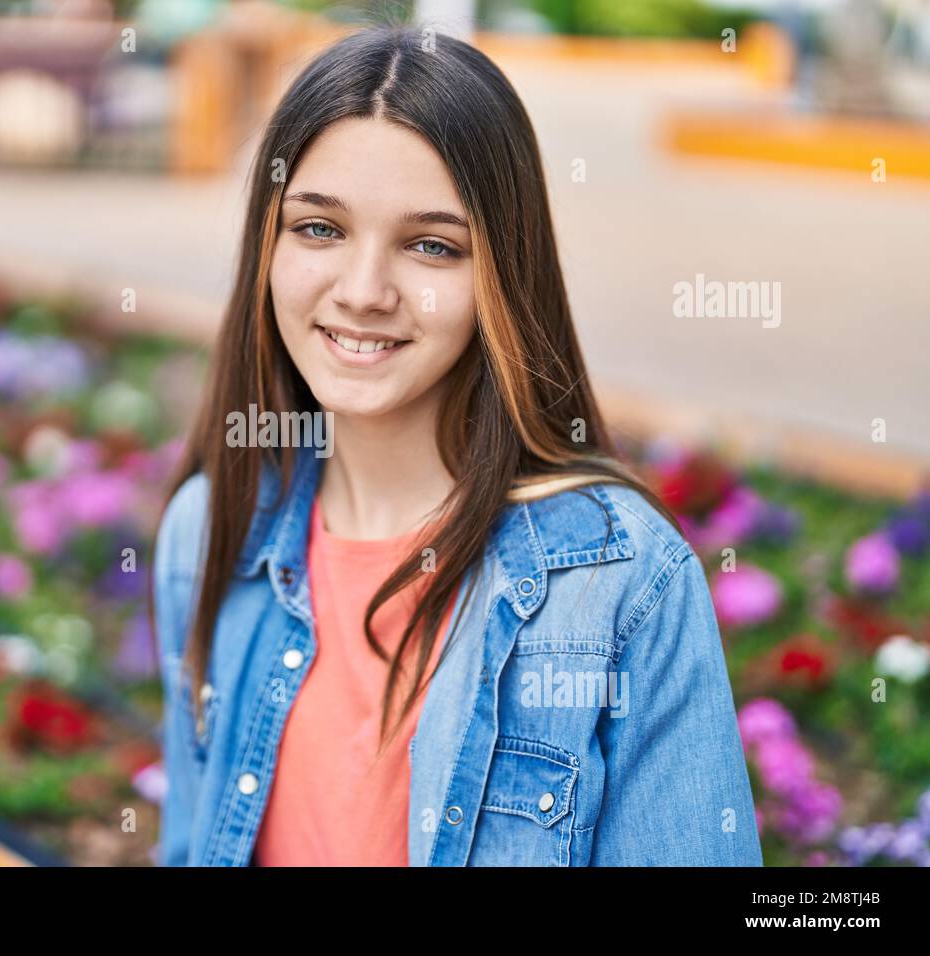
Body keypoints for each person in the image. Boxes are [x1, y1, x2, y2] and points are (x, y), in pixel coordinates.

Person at [150, 24, 762, 867]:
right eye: (319, 229)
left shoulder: (618, 583)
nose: (363, 293)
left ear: (501, 275)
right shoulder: (210, 527)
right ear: (267, 242)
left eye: (431, 246)